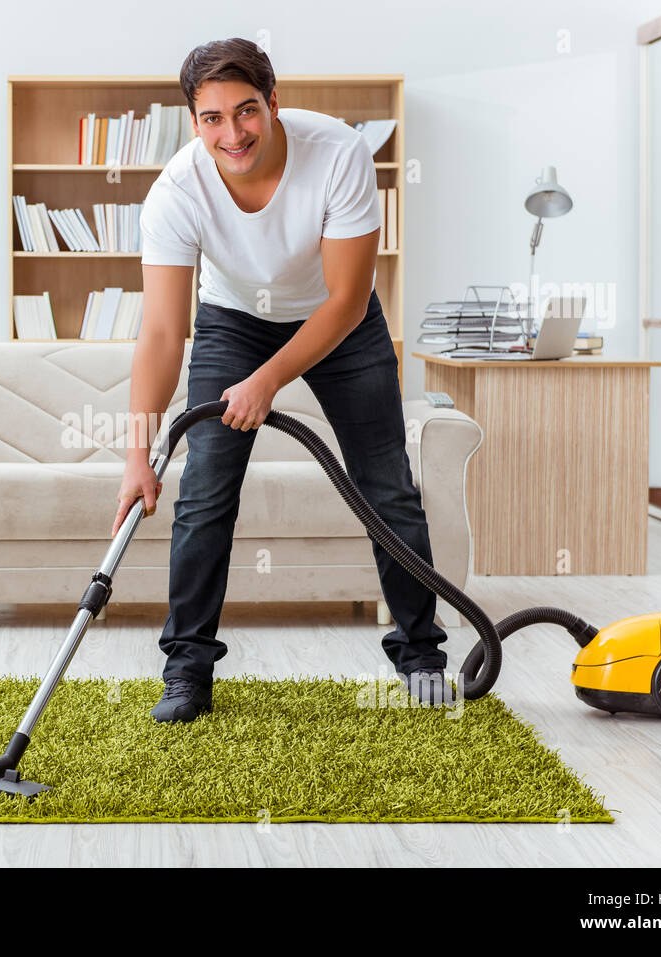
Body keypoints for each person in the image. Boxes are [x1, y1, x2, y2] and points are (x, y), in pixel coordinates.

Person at [112, 38, 450, 724]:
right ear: (192, 121)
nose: (231, 134)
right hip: (233, 322)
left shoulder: (340, 155)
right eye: (211, 118)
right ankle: (187, 669)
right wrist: (135, 455)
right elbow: (159, 333)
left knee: (386, 484)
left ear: (273, 101)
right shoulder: (176, 192)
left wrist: (267, 381)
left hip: (338, 321)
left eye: (245, 112)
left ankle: (420, 654)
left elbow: (349, 301)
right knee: (203, 490)